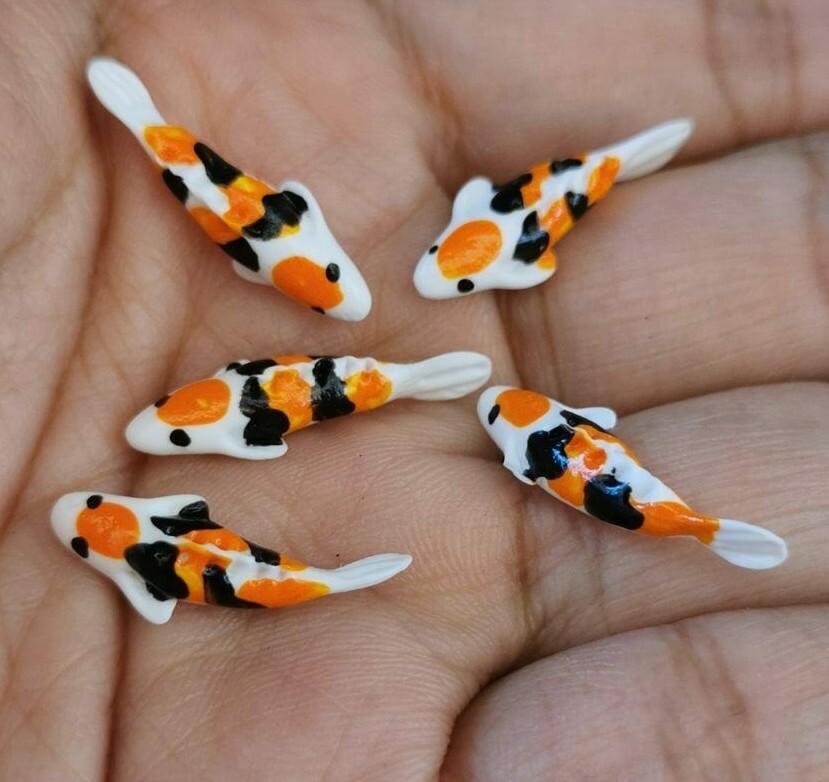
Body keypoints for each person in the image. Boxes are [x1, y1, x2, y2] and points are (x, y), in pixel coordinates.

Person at [0, 1, 826, 779]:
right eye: (175, 428)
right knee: (346, 419)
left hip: (337, 379)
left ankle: (686, 521)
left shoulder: (180, 502)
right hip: (319, 392)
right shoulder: (205, 464)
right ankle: (353, 549)